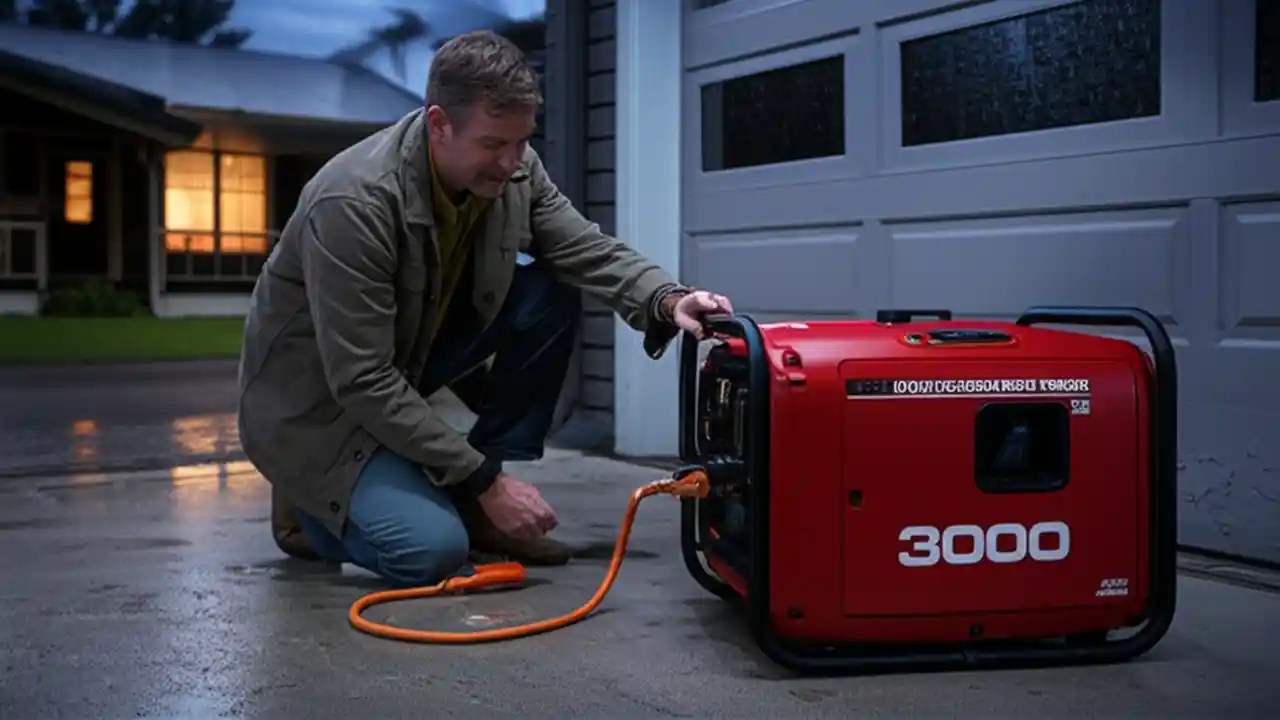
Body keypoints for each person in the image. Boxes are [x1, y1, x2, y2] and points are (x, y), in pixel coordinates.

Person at [238, 29, 733, 587]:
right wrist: (484, 481)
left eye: (522, 141)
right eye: (493, 144)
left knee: (549, 287)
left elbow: (582, 247)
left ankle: (468, 500)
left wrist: (666, 298)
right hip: (319, 405)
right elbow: (362, 379)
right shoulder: (354, 203)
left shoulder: (516, 169)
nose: (511, 162)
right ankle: (309, 506)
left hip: (406, 355)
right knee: (430, 552)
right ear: (439, 125)